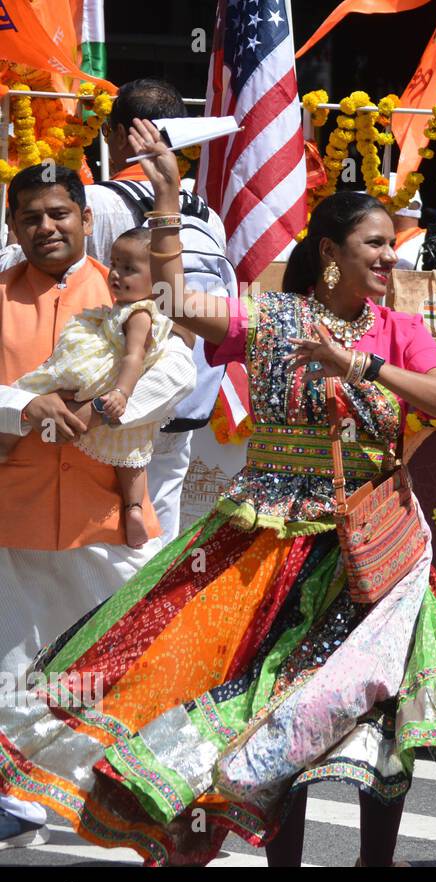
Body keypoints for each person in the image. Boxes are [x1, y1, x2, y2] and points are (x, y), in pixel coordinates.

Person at [0, 120, 436, 867]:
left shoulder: (396, 329)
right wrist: (172, 196)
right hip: (273, 545)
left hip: (377, 543)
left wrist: (358, 366)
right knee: (278, 704)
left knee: (380, 710)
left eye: (387, 245)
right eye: (371, 244)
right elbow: (174, 302)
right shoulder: (269, 317)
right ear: (330, 255)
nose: (385, 256)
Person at [0, 162, 196, 850]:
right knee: (13, 667)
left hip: (108, 516)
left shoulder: (121, 284)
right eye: (30, 216)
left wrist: (95, 406)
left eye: (59, 213)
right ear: (11, 223)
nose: (45, 227)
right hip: (13, 516)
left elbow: (177, 369)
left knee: (127, 660)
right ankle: (15, 797)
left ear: (86, 219)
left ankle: (150, 798)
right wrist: (25, 406)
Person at [87, 78, 236, 545]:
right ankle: (151, 613)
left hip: (114, 395)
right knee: (163, 512)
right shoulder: (206, 213)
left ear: (113, 134)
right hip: (183, 388)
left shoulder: (95, 203)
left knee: (101, 522)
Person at [0, 228, 177, 547]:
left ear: (86, 219)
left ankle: (134, 509)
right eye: (115, 263)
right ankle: (132, 506)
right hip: (20, 515)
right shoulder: (116, 307)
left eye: (129, 269)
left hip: (105, 393)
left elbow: (140, 358)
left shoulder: (140, 314)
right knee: (131, 458)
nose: (116, 274)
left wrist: (118, 396)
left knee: (130, 455)